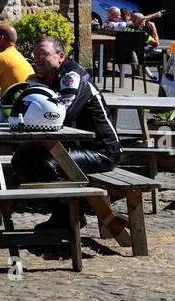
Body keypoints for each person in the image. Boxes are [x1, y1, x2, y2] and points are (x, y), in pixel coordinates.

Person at [11, 35, 121, 228]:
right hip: (75, 147)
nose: (37, 60)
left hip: (102, 151)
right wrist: (33, 88)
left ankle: (72, 215)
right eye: (35, 55)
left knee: (47, 165)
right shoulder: (49, 77)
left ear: (61, 56)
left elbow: (61, 114)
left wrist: (38, 88)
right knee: (21, 160)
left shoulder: (72, 76)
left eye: (43, 54)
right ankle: (64, 212)